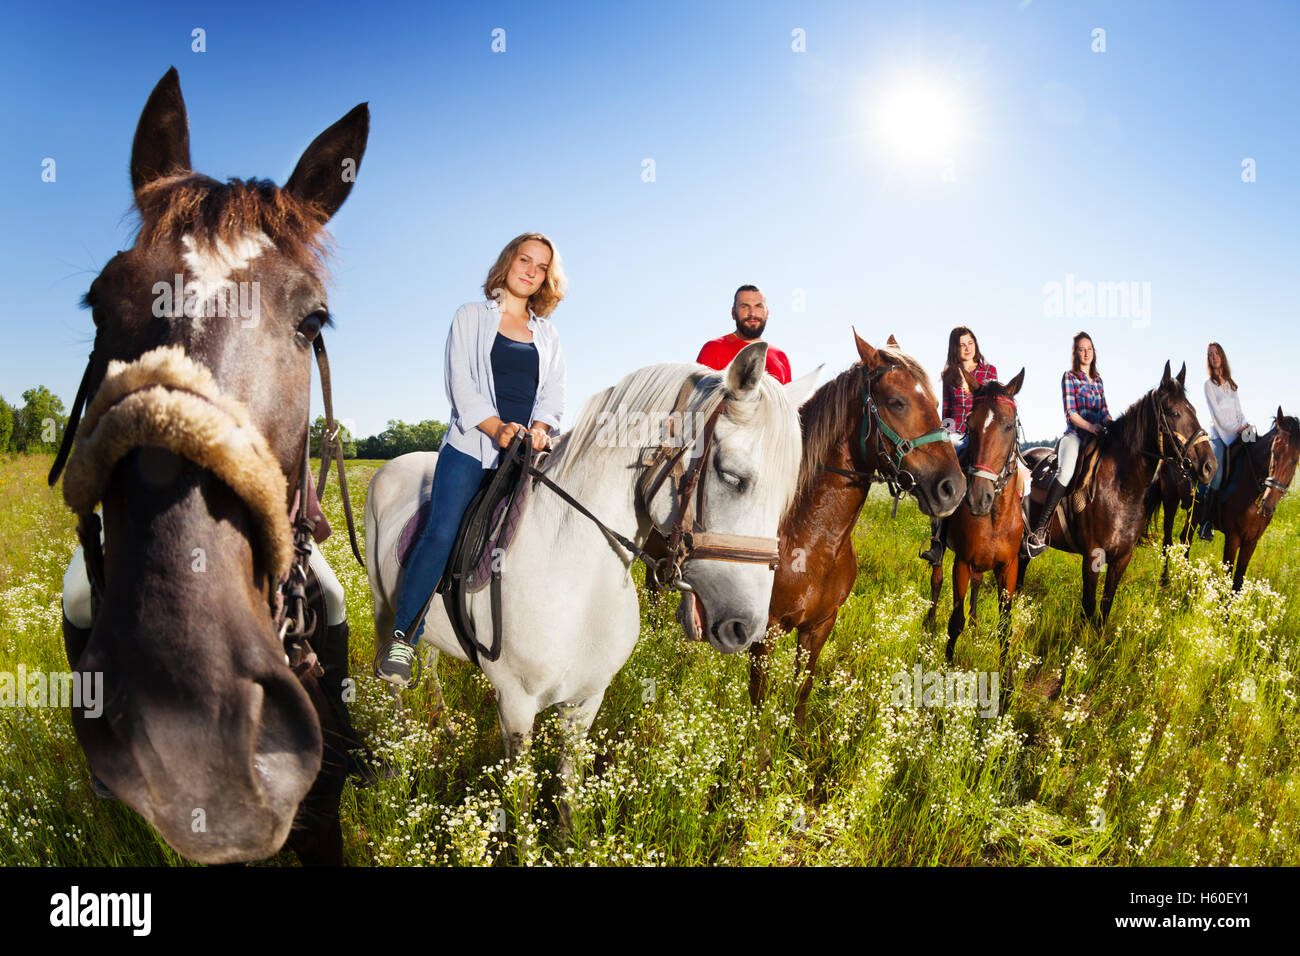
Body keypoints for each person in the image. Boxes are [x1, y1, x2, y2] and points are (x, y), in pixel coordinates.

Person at [374, 233, 568, 687]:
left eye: (541, 267)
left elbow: (554, 392)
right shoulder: (470, 317)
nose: (531, 271)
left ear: (546, 279)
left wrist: (540, 429)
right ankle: (404, 634)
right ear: (508, 262)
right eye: (525, 260)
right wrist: (496, 427)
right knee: (441, 532)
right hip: (471, 446)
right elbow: (461, 384)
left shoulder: (549, 335)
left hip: (525, 453)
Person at [1026, 331, 1111, 557]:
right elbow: (1071, 413)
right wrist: (1091, 427)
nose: (1086, 353)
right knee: (1065, 472)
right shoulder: (1069, 377)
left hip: (1097, 438)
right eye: (1081, 349)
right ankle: (1041, 529)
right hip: (1074, 436)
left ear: (1094, 352)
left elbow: (1104, 411)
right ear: (1076, 353)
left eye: (1089, 349)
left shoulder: (1099, 380)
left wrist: (1112, 424)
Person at [919, 326, 998, 565]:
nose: (967, 348)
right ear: (955, 348)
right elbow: (947, 413)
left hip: (982, 432)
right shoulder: (949, 376)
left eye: (970, 342)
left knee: (1019, 470)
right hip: (957, 433)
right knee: (941, 472)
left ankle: (1024, 533)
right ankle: (938, 540)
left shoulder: (989, 371)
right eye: (962, 344)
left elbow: (994, 406)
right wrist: (948, 432)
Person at [1199, 342, 1252, 540]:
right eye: (1210, 354)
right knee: (1218, 473)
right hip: (1220, 436)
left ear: (1222, 356)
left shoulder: (1231, 383)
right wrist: (1236, 429)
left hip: (1239, 432)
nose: (1213, 357)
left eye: (1216, 353)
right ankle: (1206, 523)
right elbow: (1218, 416)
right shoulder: (1208, 385)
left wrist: (1246, 426)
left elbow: (1240, 412)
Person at [695, 285, 792, 384]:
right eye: (744, 306)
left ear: (767, 313)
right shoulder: (713, 349)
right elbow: (698, 396)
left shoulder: (780, 357)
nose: (752, 313)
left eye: (758, 306)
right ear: (733, 313)